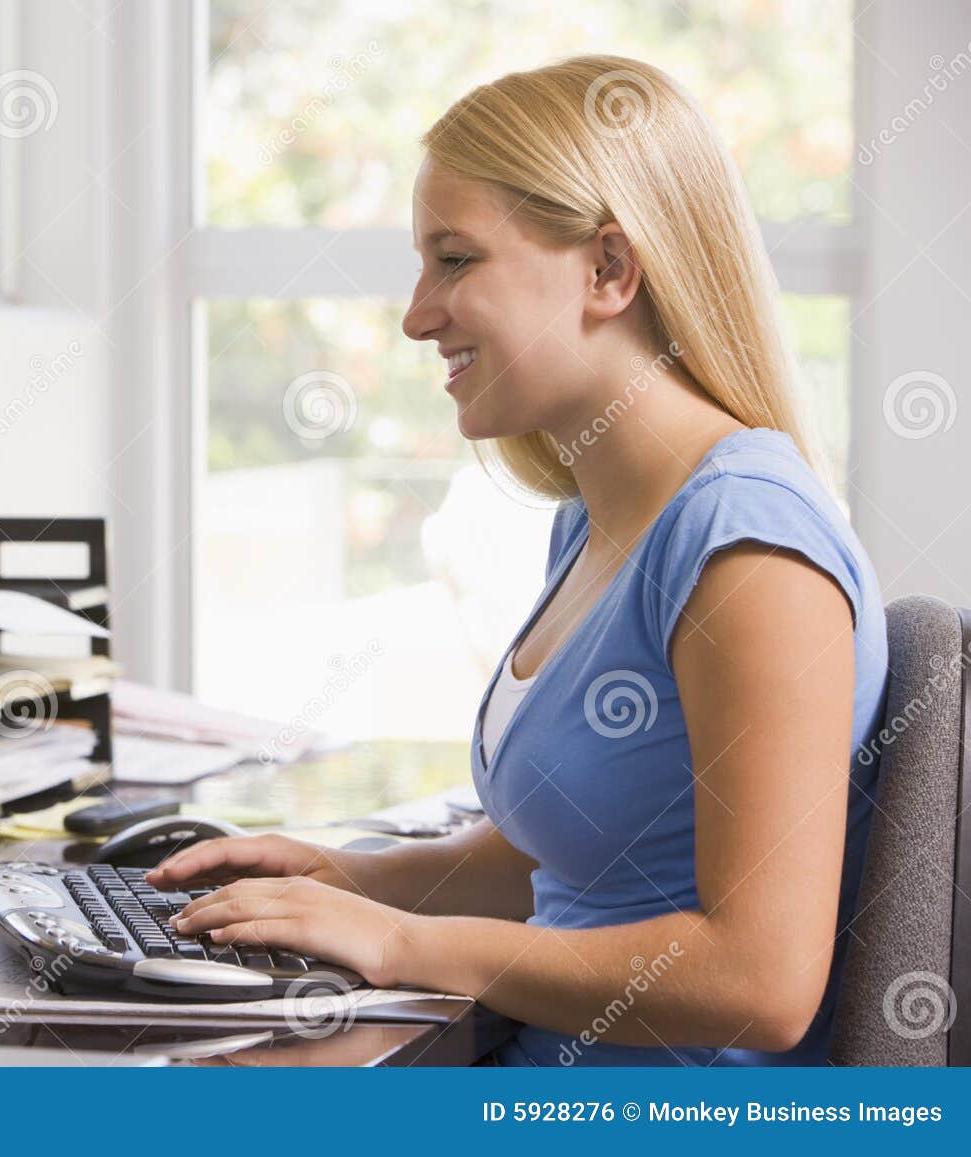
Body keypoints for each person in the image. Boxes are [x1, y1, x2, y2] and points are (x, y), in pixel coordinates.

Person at [150, 54, 888, 1066]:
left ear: (607, 270)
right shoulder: (597, 515)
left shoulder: (746, 548)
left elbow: (758, 982)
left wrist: (405, 943)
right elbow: (569, 855)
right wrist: (352, 876)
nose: (415, 314)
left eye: (455, 260)